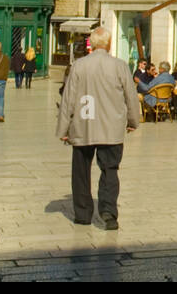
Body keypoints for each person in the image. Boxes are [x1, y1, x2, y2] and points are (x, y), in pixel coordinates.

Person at [56, 27, 142, 230]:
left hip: (83, 125)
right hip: (111, 128)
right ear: (109, 44)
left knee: (81, 171)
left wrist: (63, 128)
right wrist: (133, 121)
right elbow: (131, 96)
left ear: (92, 45)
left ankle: (83, 214)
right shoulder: (120, 66)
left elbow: (68, 99)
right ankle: (108, 212)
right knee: (110, 170)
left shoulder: (78, 65)